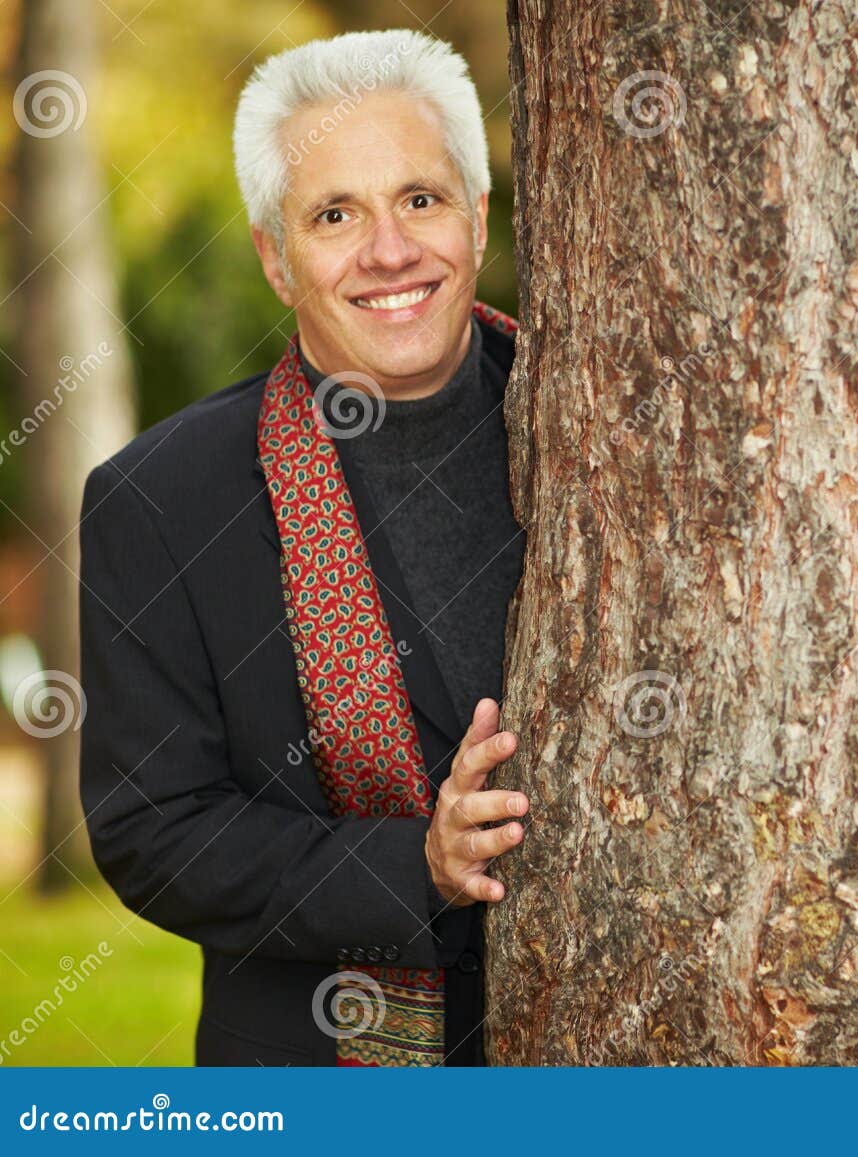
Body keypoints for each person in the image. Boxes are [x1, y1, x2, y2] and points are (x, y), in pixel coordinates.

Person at [78, 30, 527, 1066]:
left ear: (478, 213)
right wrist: (414, 864)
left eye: (421, 197)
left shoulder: (615, 437)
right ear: (276, 258)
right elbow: (157, 830)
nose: (389, 250)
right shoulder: (162, 500)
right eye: (336, 214)